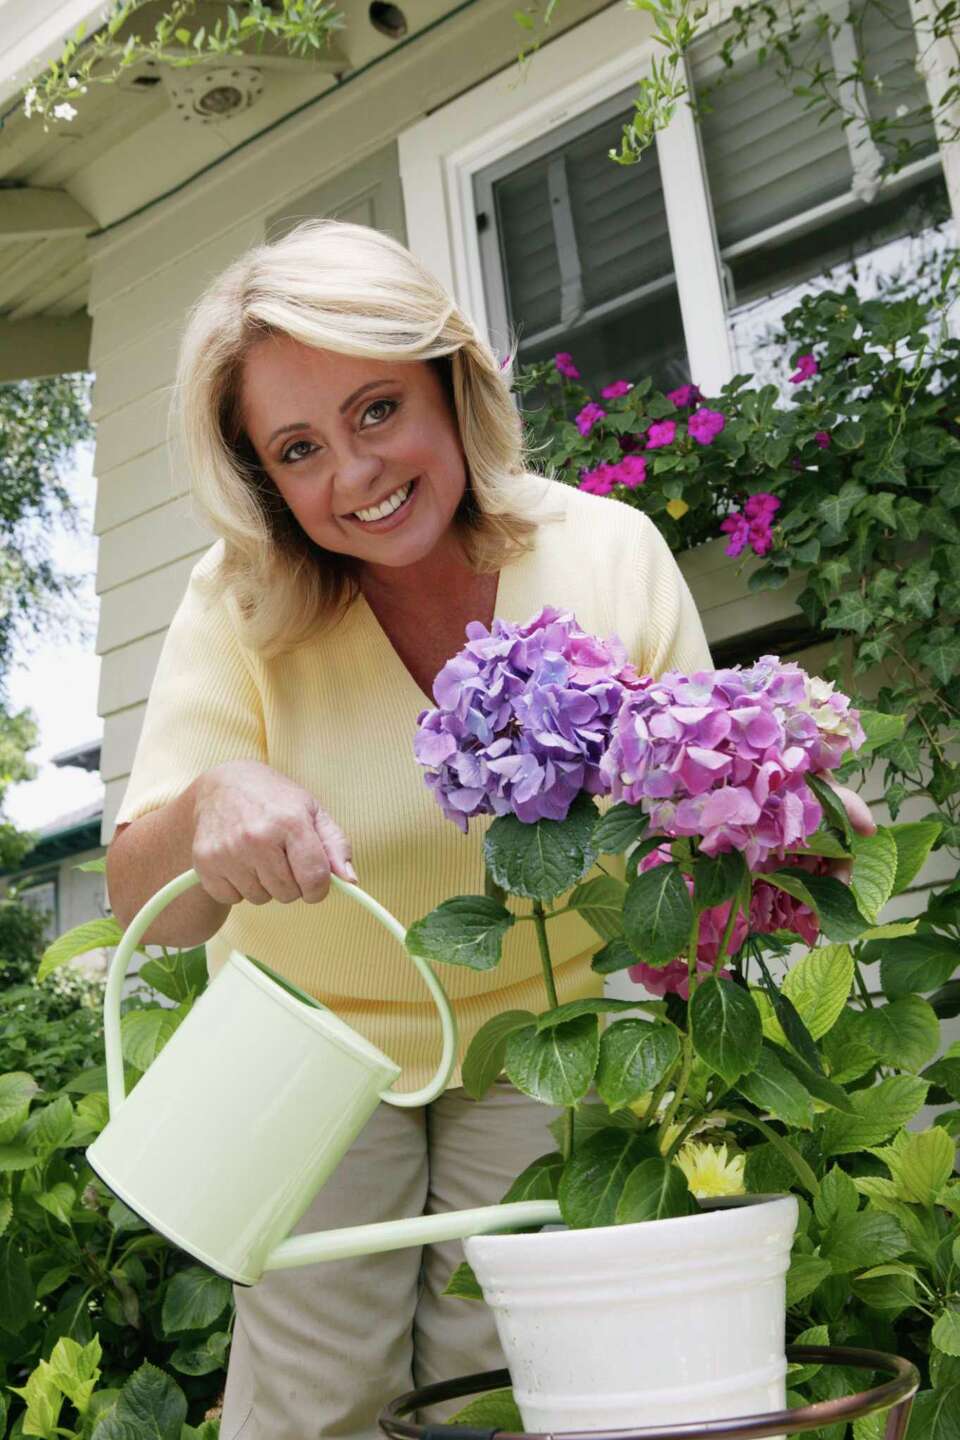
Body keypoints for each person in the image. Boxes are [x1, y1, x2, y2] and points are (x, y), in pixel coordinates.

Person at [106, 219, 873, 1440]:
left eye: (376, 411)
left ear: (450, 382)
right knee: (316, 1402)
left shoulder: (606, 553)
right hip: (310, 1058)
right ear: (263, 479)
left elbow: (701, 826)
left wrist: (794, 811)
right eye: (299, 449)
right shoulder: (240, 598)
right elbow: (143, 905)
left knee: (509, 1382)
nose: (354, 474)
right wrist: (208, 807)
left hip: (546, 1037)